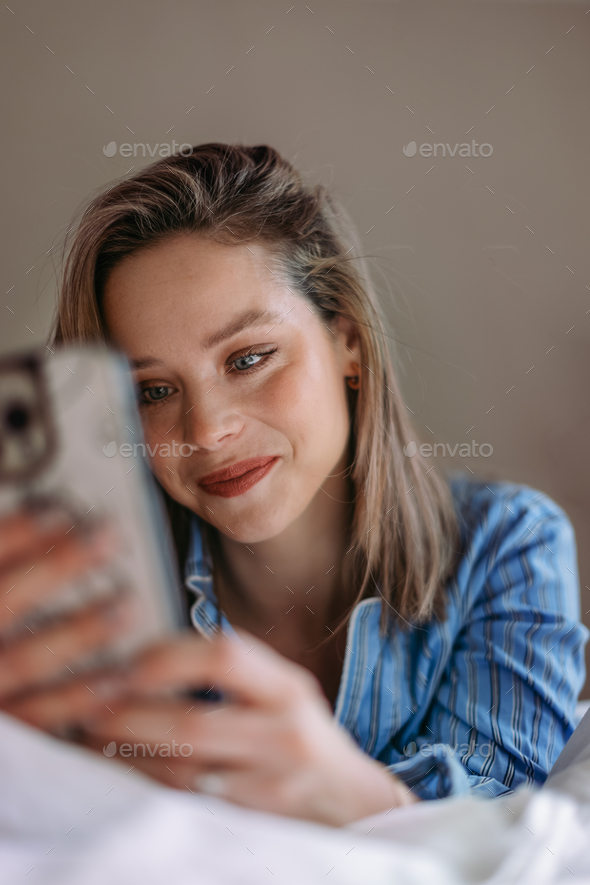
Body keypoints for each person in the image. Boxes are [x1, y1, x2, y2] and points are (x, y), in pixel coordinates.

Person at [0, 144, 587, 826]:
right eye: (155, 390)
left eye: (248, 358)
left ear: (350, 347)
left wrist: (348, 791)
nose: (209, 428)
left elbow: (497, 830)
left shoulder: (507, 543)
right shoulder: (90, 603)